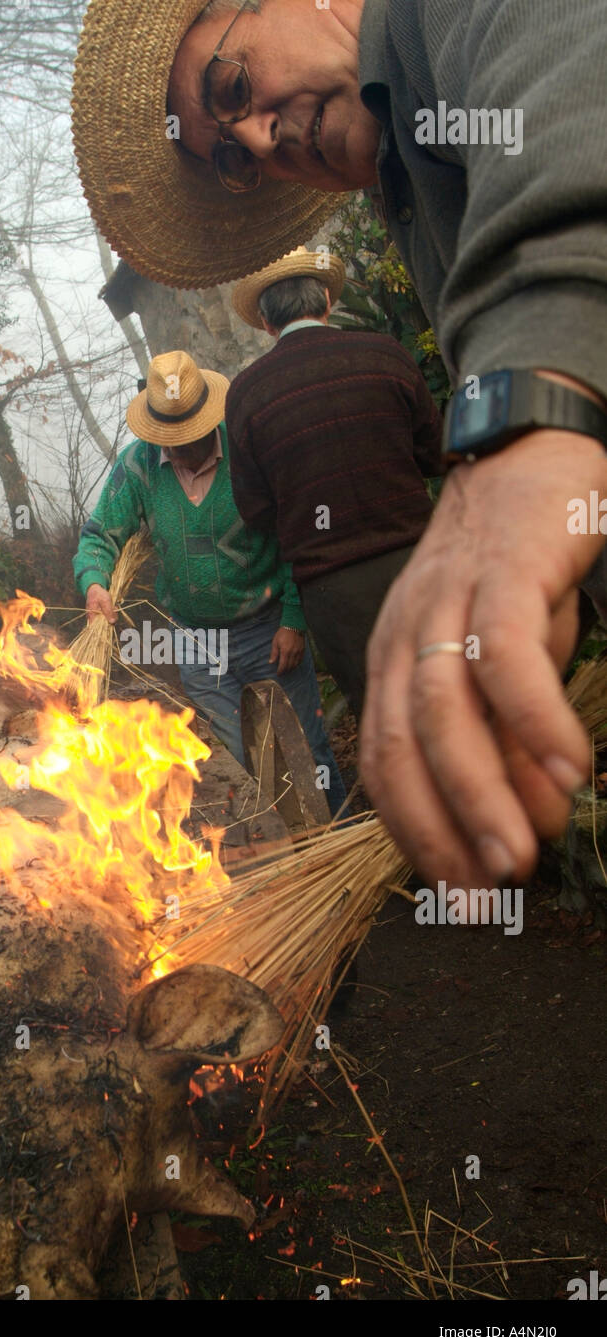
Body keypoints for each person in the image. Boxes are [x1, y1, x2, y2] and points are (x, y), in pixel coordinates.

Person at [72, 0, 607, 890]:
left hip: (327, 594)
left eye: (232, 84)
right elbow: (431, 446)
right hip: (358, 588)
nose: (259, 132)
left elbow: (570, 94)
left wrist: (525, 424)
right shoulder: (408, 183)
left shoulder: (442, 20)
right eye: (233, 154)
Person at [73, 349, 347, 812]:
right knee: (251, 761)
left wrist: (294, 619)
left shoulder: (248, 450)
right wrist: (95, 583)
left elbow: (296, 531)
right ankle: (299, 851)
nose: (180, 447)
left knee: (307, 748)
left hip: (269, 628)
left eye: (191, 433)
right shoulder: (138, 466)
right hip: (195, 642)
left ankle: (340, 837)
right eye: (170, 437)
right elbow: (100, 535)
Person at [226, 244, 443, 722]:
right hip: (420, 560)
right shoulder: (385, 353)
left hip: (333, 591)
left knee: (388, 721)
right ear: (326, 300)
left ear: (266, 322)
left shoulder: (246, 393)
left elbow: (257, 512)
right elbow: (435, 453)